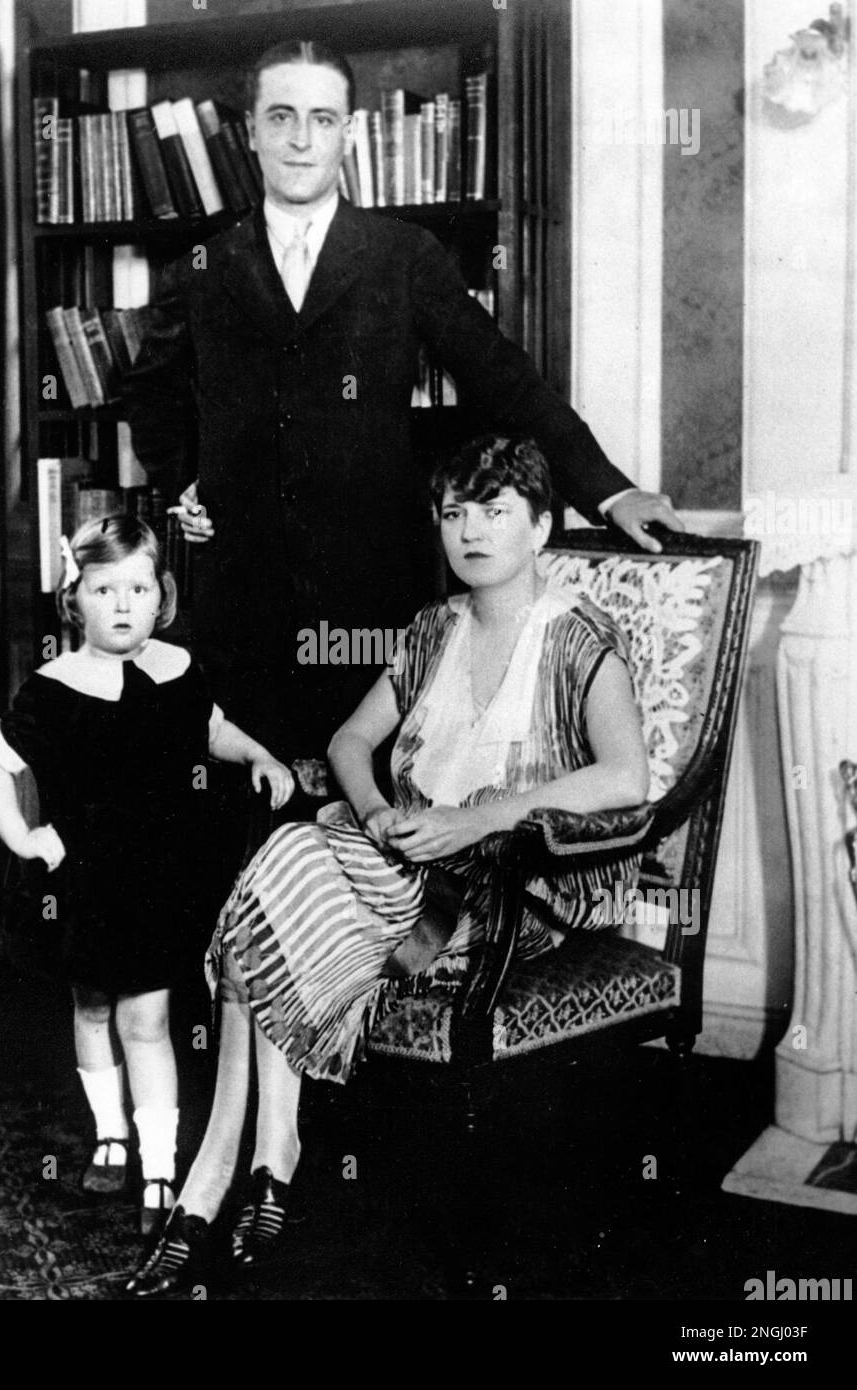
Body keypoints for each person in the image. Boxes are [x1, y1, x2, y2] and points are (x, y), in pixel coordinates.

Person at [125, 436, 649, 1296]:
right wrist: (372, 813)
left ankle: (223, 1177)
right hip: (398, 865)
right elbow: (348, 740)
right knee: (290, 860)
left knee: (279, 877)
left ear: (542, 527)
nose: (471, 532)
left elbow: (626, 776)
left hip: (507, 888)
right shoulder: (431, 629)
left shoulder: (578, 638)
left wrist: (475, 818)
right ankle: (260, 1162)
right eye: (454, 514)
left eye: (495, 512)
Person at [122, 38, 684, 768]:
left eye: (321, 119)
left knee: (381, 815)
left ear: (346, 133)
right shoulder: (203, 263)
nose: (300, 139)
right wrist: (183, 482)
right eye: (281, 117)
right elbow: (148, 391)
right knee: (254, 820)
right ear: (252, 130)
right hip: (243, 605)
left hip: (374, 603)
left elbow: (505, 381)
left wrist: (609, 491)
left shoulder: (402, 255)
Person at [0, 515, 294, 1238]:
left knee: (145, 1020)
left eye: (138, 588)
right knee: (91, 1008)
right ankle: (109, 1133)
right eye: (103, 588)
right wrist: (25, 838)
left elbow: (211, 728)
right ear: (74, 599)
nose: (121, 605)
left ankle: (157, 1169)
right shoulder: (53, 688)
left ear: (161, 596)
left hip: (162, 878)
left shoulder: (178, 670)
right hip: (84, 880)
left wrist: (259, 756)